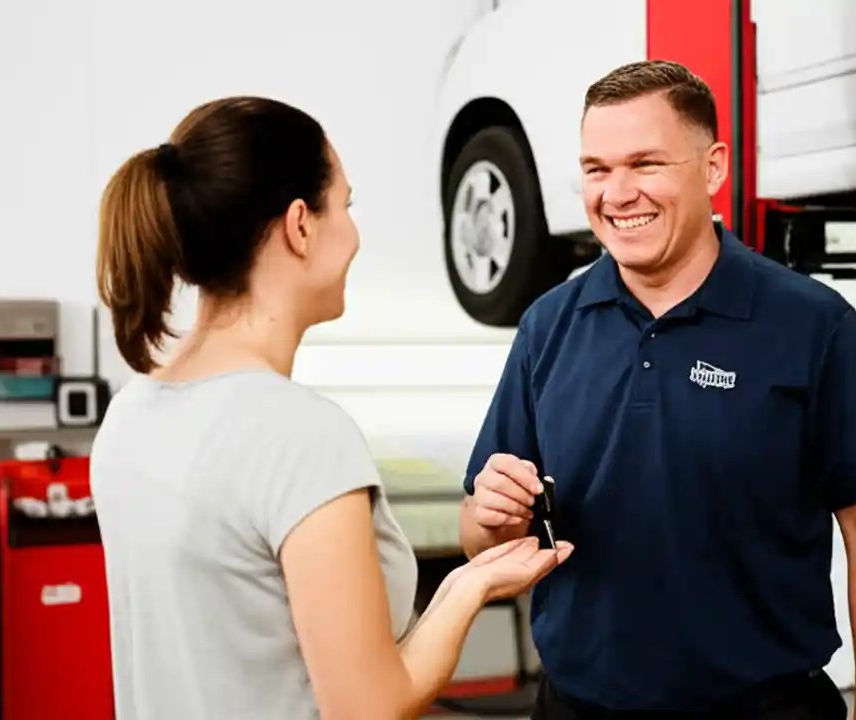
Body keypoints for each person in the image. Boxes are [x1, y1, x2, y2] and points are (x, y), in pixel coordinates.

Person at [459, 61, 856, 719]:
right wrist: (488, 519)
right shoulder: (548, 327)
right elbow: (483, 533)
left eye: (645, 164)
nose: (617, 194)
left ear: (712, 168)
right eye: (597, 169)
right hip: (577, 707)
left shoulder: (813, 324)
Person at [90, 95, 572, 720]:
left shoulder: (131, 415)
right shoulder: (299, 436)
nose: (353, 233)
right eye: (345, 205)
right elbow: (370, 707)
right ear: (300, 225)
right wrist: (467, 586)